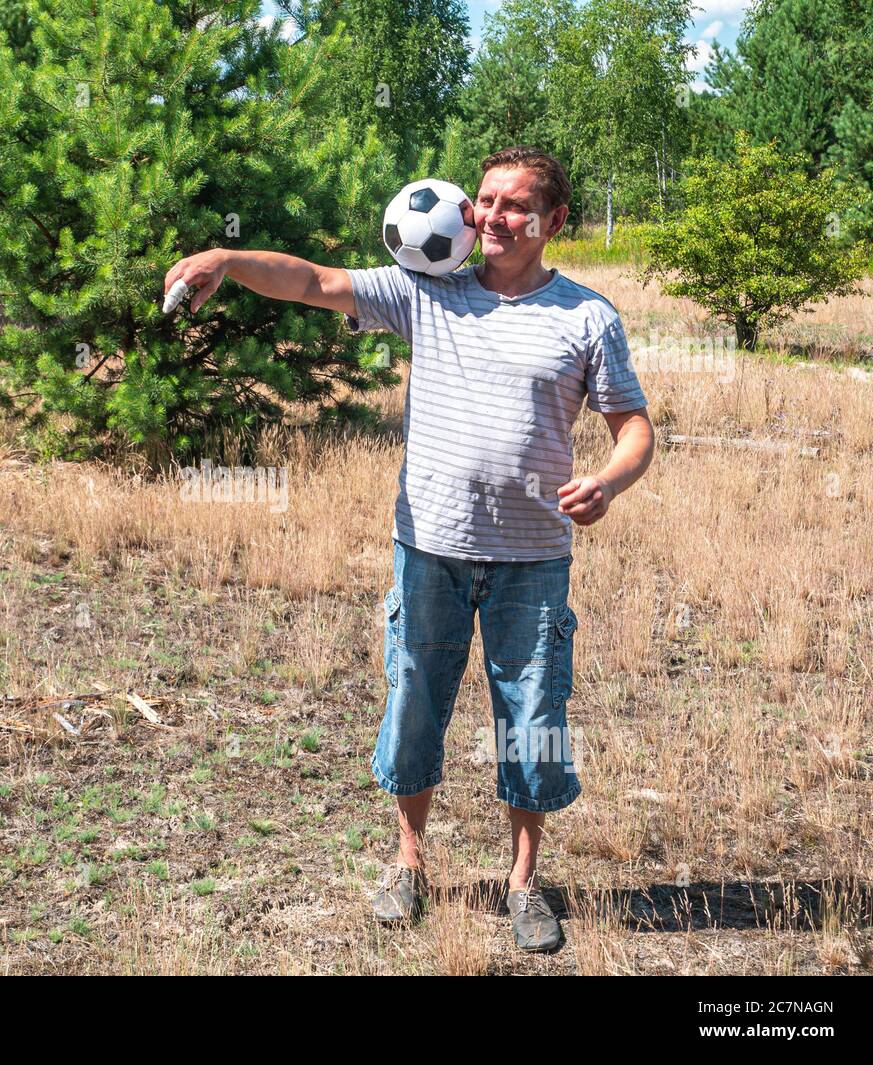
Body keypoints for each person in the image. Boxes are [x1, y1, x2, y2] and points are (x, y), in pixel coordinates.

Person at [163, 147, 654, 952]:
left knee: (532, 714)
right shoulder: (428, 289)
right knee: (415, 697)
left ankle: (524, 883)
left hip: (533, 557)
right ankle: (408, 862)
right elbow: (314, 280)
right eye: (484, 201)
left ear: (554, 220)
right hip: (427, 546)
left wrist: (610, 480)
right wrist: (226, 258)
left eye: (513, 205)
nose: (490, 216)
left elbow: (632, 425)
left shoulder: (588, 316)